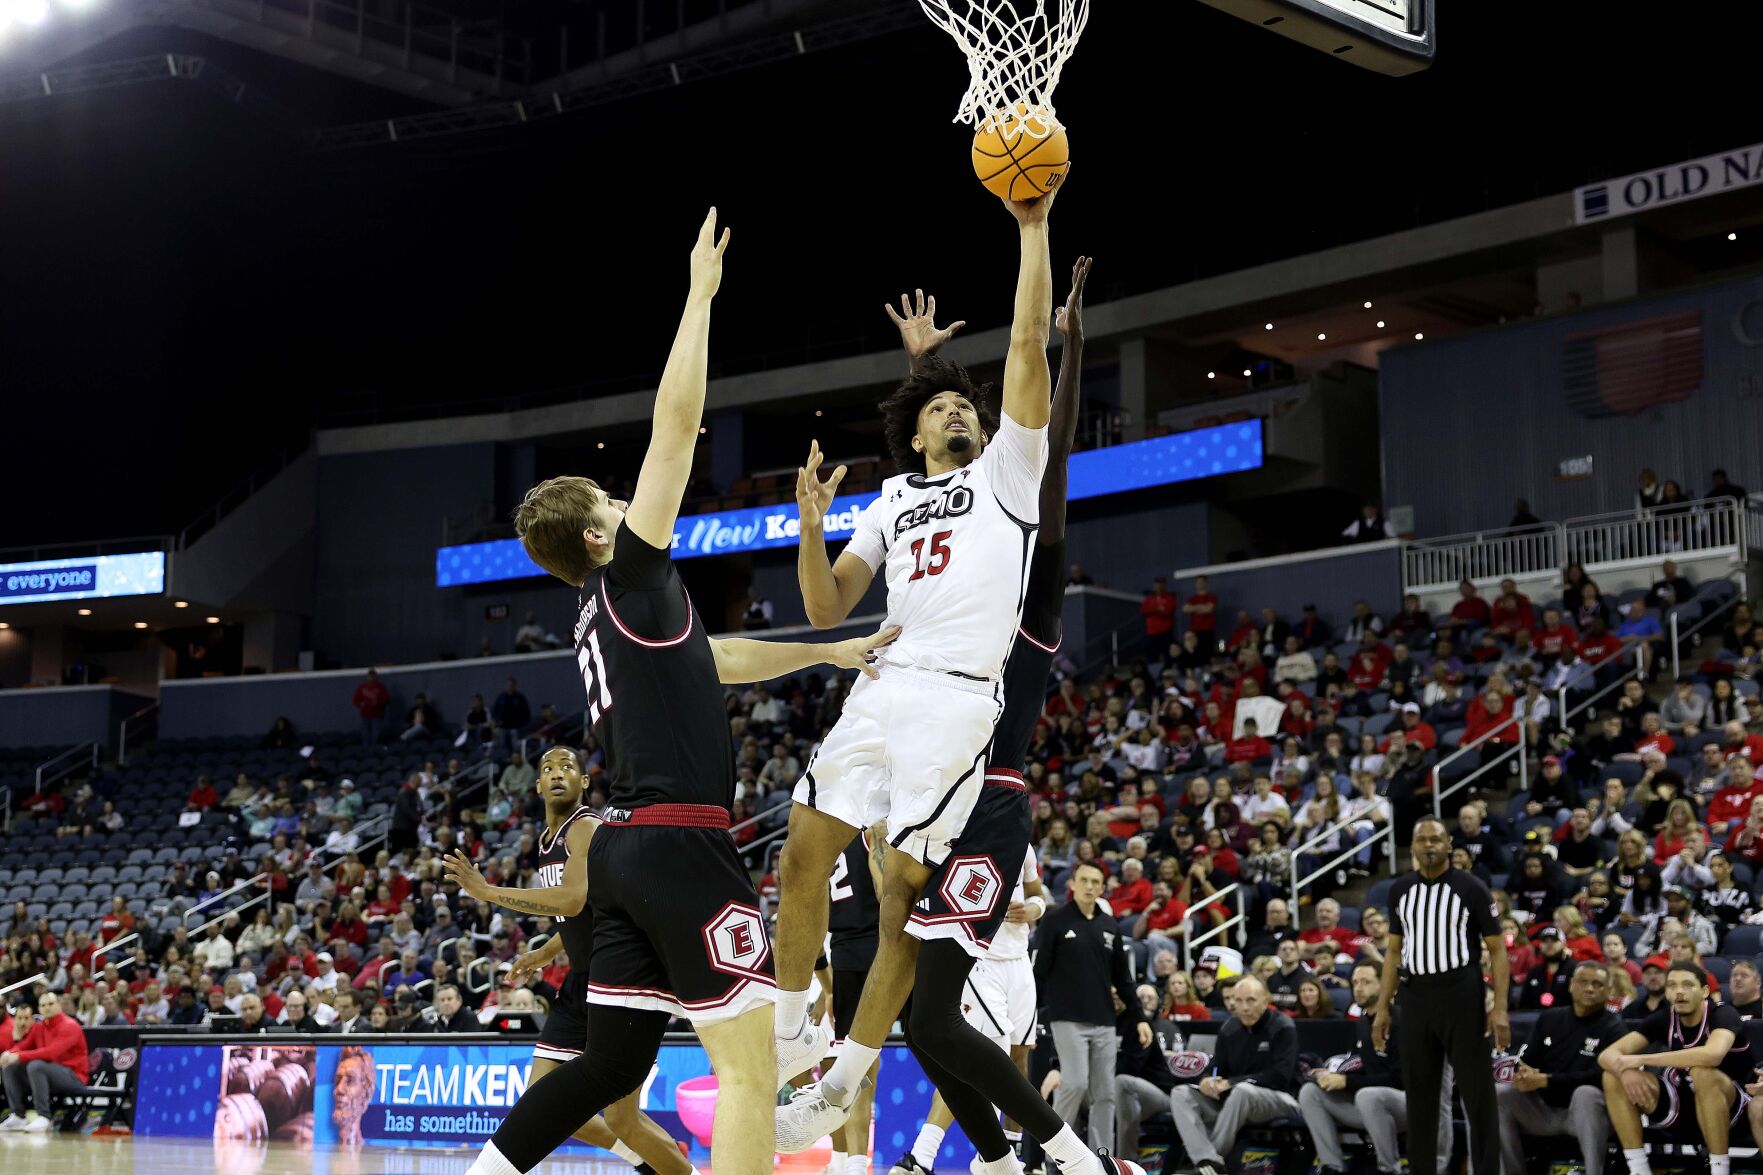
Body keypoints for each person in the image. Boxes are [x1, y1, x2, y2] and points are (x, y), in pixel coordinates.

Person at [452, 211, 894, 1175]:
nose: (630, 502)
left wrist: (827, 652)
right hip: (685, 844)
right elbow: (677, 429)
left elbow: (719, 660)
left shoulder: (600, 615)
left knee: (609, 1059)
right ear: (603, 535)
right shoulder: (633, 574)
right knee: (744, 1074)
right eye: (615, 504)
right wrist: (698, 295)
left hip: (623, 853)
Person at [774, 211, 1115, 1175]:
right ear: (912, 431)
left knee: (906, 934)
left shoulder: (1011, 479)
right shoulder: (891, 497)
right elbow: (824, 603)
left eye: (967, 406)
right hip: (889, 676)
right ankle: (805, 1041)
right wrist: (810, 522)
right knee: (816, 868)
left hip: (964, 724)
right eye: (939, 409)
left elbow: (1019, 349)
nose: (959, 412)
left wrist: (1032, 228)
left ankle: (867, 1084)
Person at [1371, 817, 1508, 1175]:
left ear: (1448, 845)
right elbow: (1393, 952)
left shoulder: (1472, 888)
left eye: (1436, 839)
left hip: (1461, 991)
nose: (1429, 845)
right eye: (1422, 840)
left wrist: (1501, 1008)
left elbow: (1497, 951)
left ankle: (1487, 1169)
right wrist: (1383, 1007)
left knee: (1477, 1092)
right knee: (1420, 1095)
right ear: (1413, 847)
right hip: (1415, 996)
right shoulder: (1399, 890)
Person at [1599, 962, 1755, 1175]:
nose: (1679, 991)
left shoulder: (1724, 1014)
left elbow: (1712, 1055)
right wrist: (1625, 1071)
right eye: (1672, 985)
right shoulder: (1665, 1017)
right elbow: (1607, 1055)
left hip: (1732, 1110)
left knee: (1703, 1073)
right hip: (1683, 1105)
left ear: (1704, 991)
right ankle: (1639, 1169)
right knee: (1612, 1077)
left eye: (1688, 985)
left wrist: (1640, 1060)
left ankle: (1720, 1169)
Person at [1297, 961, 1450, 1175]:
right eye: (1355, 982)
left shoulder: (1403, 1021)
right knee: (1310, 1092)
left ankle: (1389, 1168)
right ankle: (1332, 1166)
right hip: (1374, 1108)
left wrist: (1347, 1082)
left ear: (1385, 985)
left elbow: (1402, 1078)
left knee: (1368, 1095)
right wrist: (1334, 1076)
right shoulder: (1363, 1022)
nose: (1358, 988)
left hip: (1412, 1107)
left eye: (1367, 982)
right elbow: (1368, 1068)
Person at [1500, 960, 1627, 1175]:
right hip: (1544, 1111)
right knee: (1500, 1092)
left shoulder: (1615, 1029)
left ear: (1608, 991)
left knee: (1586, 1094)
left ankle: (1595, 1172)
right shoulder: (1550, 1018)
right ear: (1570, 985)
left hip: (1589, 1115)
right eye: (1583, 982)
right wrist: (1522, 1075)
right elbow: (1527, 1060)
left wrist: (1547, 1080)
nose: (1589, 988)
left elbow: (1603, 1077)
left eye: (1597, 984)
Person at [1165, 976, 1299, 1175]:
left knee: (1242, 1091)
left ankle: (1212, 1161)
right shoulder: (1229, 1028)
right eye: (1238, 1001)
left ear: (1265, 1001)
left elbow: (1280, 1076)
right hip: (1234, 1103)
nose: (1244, 1007)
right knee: (1180, 1093)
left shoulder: (1282, 1026)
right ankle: (1206, 1160)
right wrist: (1207, 1080)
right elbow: (1216, 1067)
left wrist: (1232, 1083)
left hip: (1279, 1100)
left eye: (1251, 1000)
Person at [0, 993, 87, 1133]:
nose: (47, 1008)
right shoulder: (39, 1027)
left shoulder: (70, 1026)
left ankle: (44, 1116)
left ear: (59, 1005)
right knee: (10, 1066)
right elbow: (23, 1046)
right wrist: (9, 1054)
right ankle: (18, 1116)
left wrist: (18, 1055)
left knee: (36, 1065)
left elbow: (51, 1053)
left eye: (51, 1004)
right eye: (43, 1005)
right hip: (48, 1075)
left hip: (73, 1076)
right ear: (39, 1009)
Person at [1141, 578, 1176, 663]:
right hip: (1152, 633)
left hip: (1166, 633)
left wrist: (1153, 610)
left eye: (1161, 585)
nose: (1159, 587)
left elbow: (1167, 612)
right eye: (1157, 585)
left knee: (1168, 657)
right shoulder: (1149, 599)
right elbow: (1144, 610)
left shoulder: (1170, 598)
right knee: (1151, 658)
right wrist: (1158, 608)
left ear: (1165, 586)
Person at [353, 668, 390, 746]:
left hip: (377, 714)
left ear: (376, 677)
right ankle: (366, 751)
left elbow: (387, 699)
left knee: (376, 734)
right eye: (370, 676)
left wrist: (378, 703)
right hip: (365, 714)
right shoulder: (362, 687)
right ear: (367, 677)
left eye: (373, 676)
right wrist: (360, 704)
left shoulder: (380, 687)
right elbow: (356, 700)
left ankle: (374, 749)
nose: (371, 678)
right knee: (365, 734)